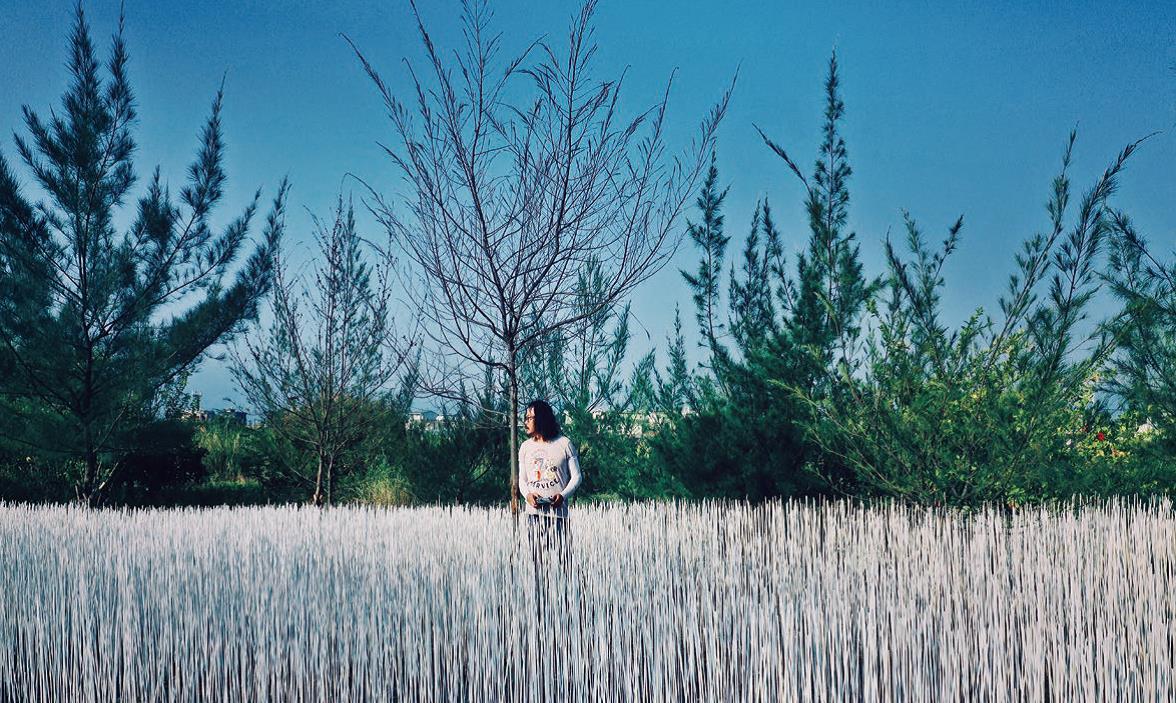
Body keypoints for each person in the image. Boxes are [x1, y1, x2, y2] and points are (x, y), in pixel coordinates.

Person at [519, 399, 581, 556]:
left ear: (540, 419)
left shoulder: (564, 444)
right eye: (525, 418)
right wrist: (528, 496)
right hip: (534, 515)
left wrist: (562, 495)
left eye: (529, 418)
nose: (525, 422)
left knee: (565, 562)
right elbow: (522, 479)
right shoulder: (525, 447)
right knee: (538, 563)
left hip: (559, 515)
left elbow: (577, 477)